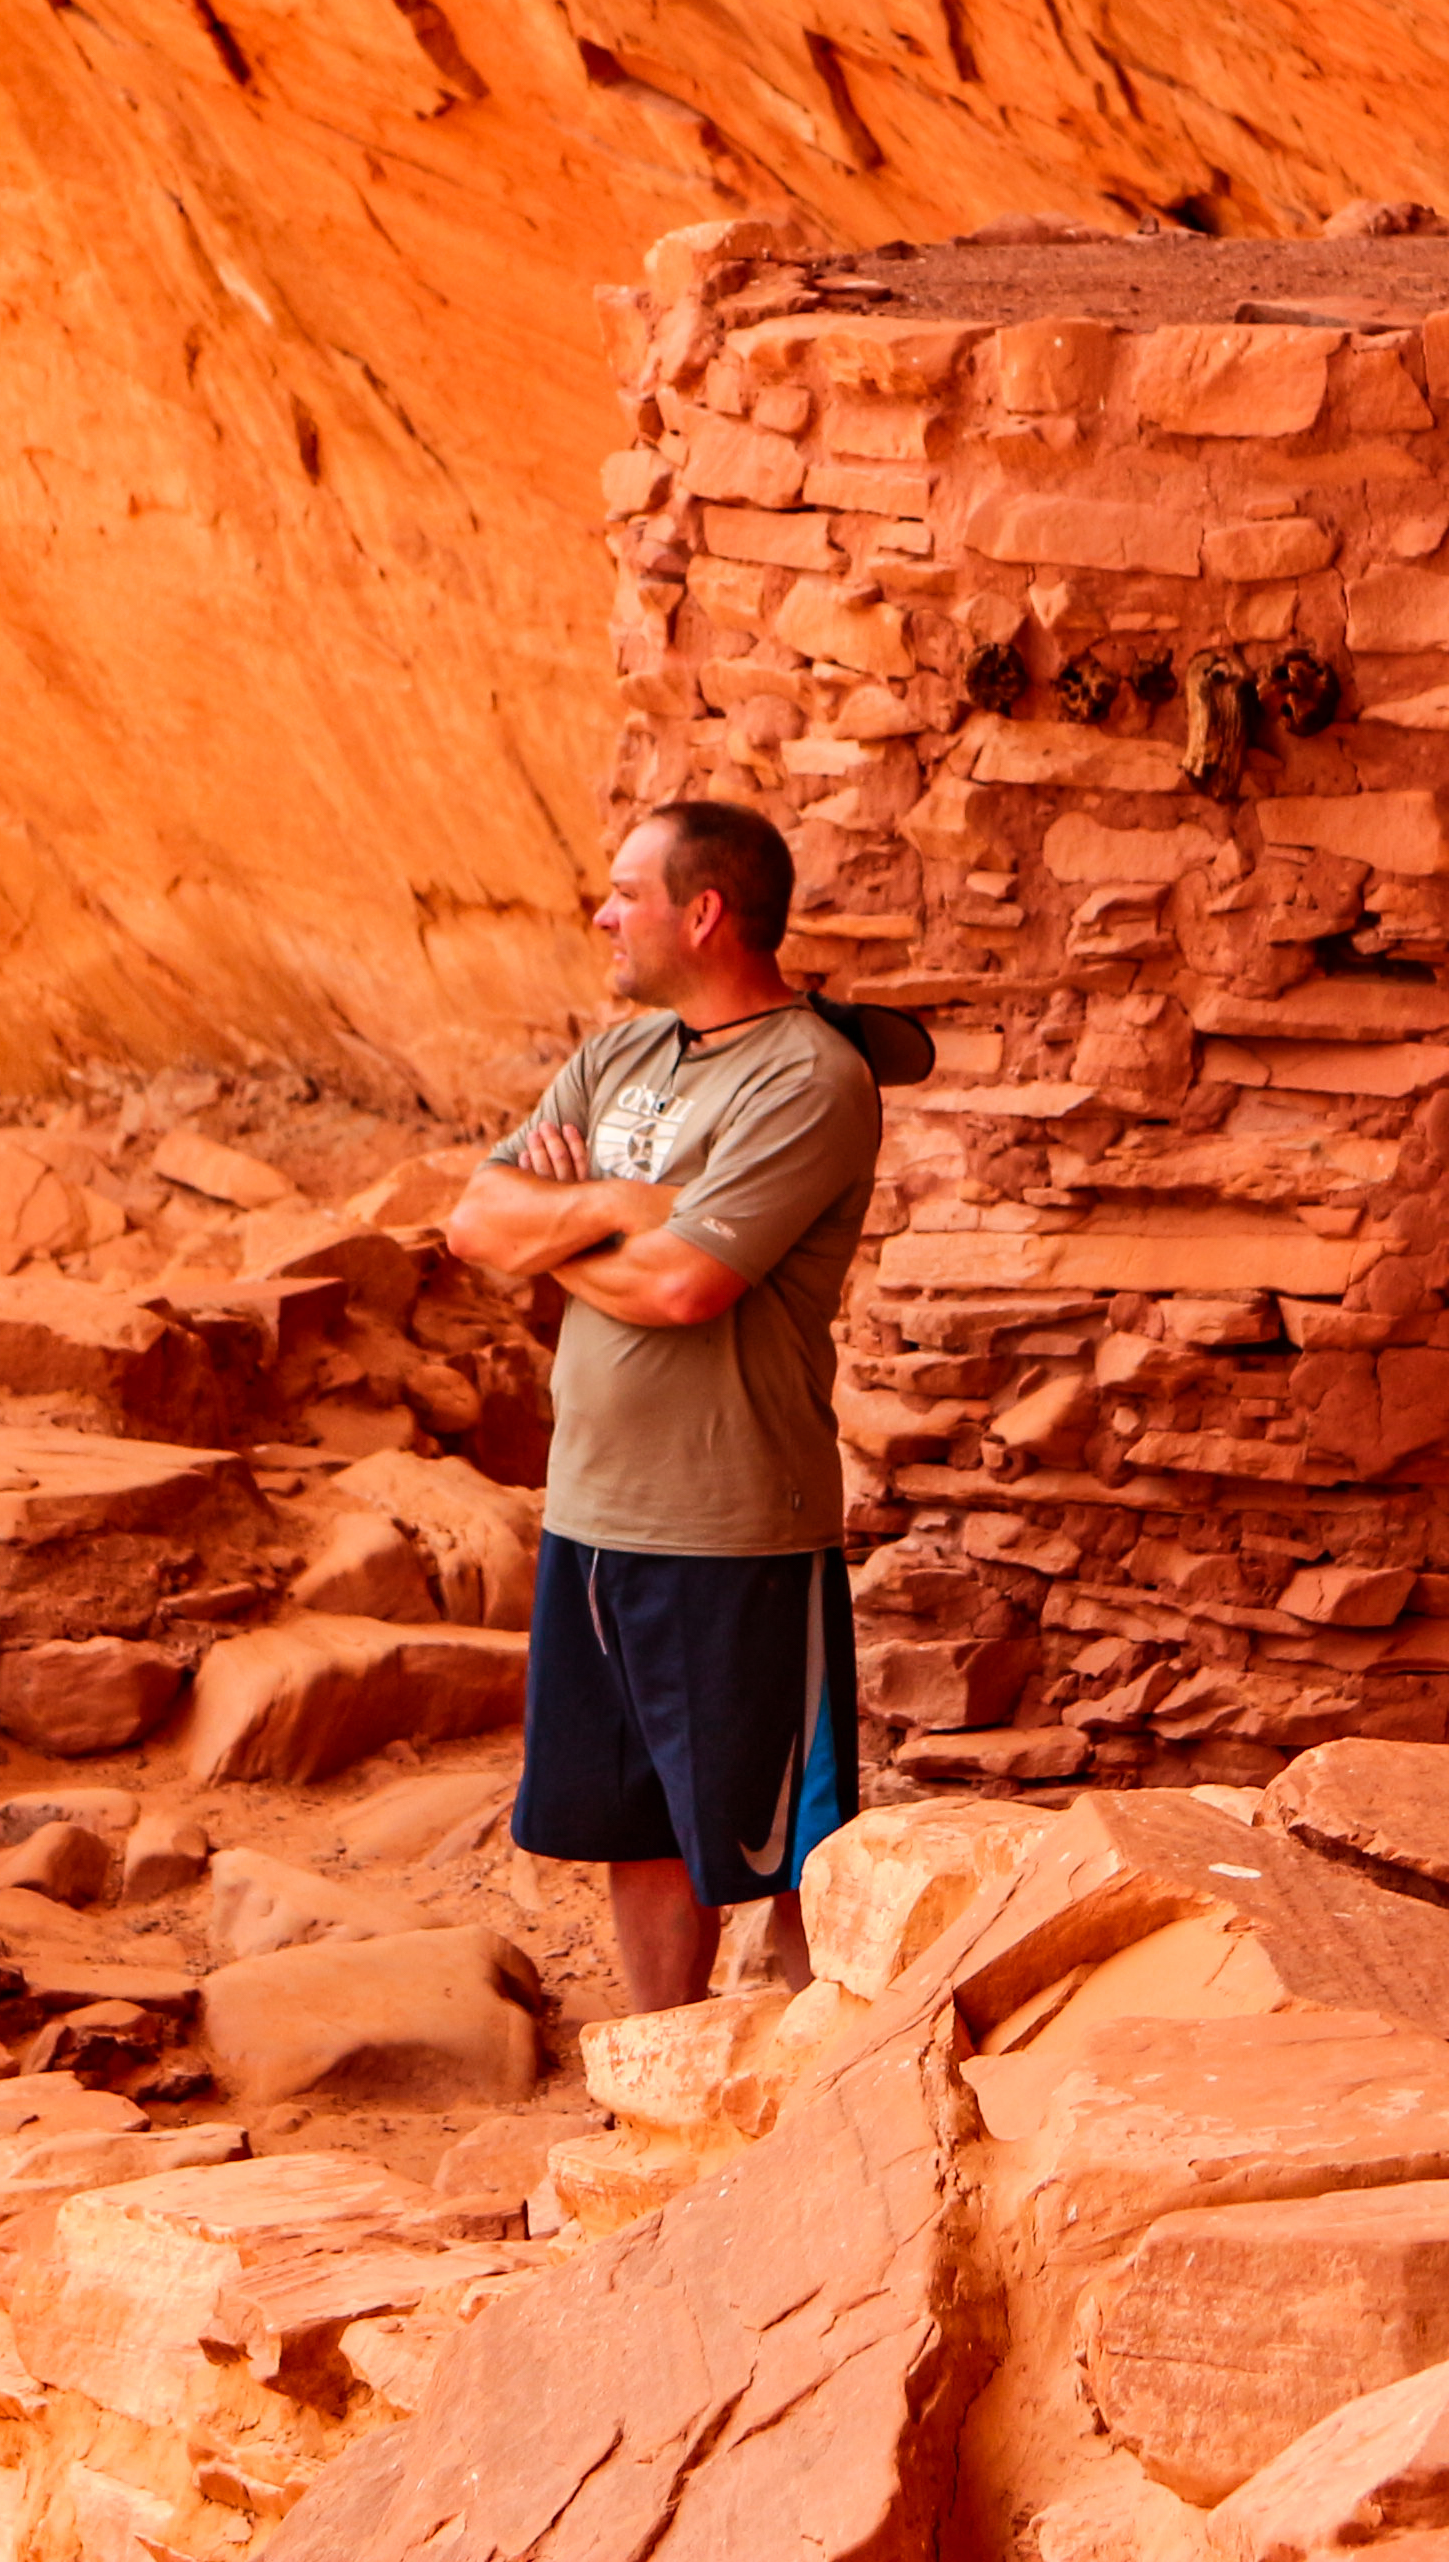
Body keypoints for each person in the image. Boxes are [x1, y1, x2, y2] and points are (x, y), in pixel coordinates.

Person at [446, 799, 885, 2014]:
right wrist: (618, 1209)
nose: (603, 913)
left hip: (733, 1523)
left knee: (791, 1846)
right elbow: (474, 1222)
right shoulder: (618, 1057)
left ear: (703, 911)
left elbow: (691, 1284)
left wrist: (566, 1226)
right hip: (593, 1513)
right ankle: (660, 2078)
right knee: (632, 1820)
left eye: (626, 891)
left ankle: (845, 2101)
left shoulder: (809, 1076)